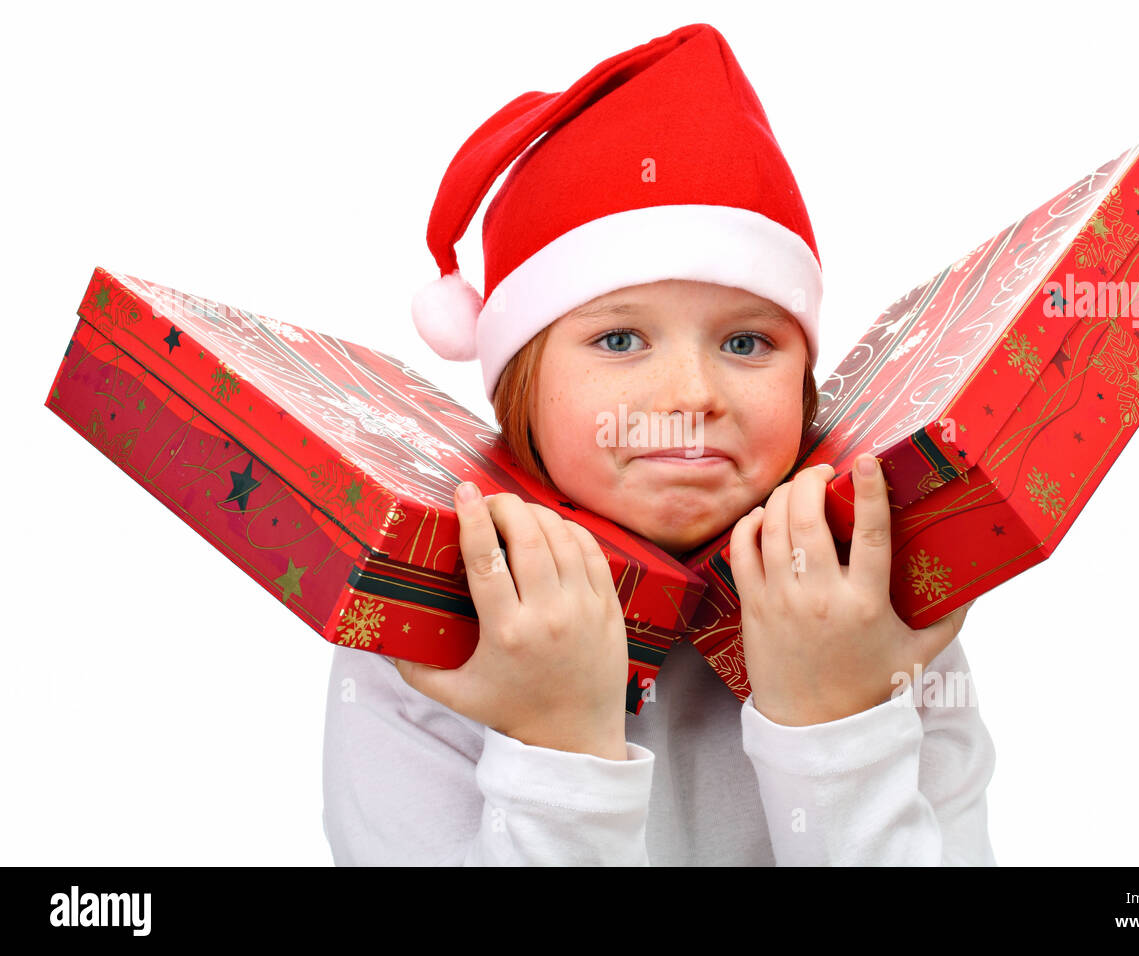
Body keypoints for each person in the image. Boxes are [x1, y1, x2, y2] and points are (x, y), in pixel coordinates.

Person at [322, 22, 995, 866]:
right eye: (619, 341)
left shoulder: (866, 604)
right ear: (518, 388)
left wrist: (839, 721)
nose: (693, 396)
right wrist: (558, 738)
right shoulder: (428, 628)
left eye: (747, 343)